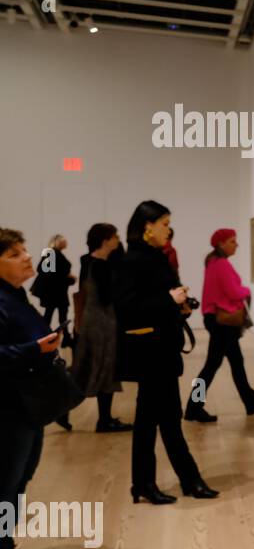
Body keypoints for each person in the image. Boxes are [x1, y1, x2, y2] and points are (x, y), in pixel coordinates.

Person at [115, 201, 218, 503]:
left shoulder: (157, 259)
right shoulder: (131, 260)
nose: (168, 229)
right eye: (164, 223)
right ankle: (186, 479)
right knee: (165, 418)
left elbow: (162, 300)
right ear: (147, 226)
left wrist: (182, 307)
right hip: (149, 351)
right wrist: (169, 301)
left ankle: (149, 483)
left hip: (162, 349)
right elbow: (127, 310)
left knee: (155, 419)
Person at [0, 227, 58, 549]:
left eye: (24, 250)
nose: (26, 256)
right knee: (3, 485)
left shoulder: (15, 295)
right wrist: (34, 350)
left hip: (25, 404)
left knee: (18, 481)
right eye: (14, 253)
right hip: (6, 407)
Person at [184, 228, 254, 423]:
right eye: (233, 241)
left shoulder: (213, 262)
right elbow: (234, 292)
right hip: (221, 322)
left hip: (216, 320)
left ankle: (250, 401)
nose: (237, 244)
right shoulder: (222, 264)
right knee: (211, 366)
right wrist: (246, 290)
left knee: (236, 362)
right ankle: (193, 406)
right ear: (221, 243)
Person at [70, 223, 130, 433]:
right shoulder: (103, 266)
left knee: (88, 369)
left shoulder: (87, 261)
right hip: (103, 323)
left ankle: (99, 418)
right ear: (106, 240)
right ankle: (104, 420)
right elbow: (108, 296)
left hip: (90, 320)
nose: (118, 240)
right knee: (105, 370)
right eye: (115, 237)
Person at [30, 234, 75, 329]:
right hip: (54, 292)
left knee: (57, 314)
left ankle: (63, 337)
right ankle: (48, 335)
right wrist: (69, 278)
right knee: (53, 314)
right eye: (64, 240)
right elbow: (47, 273)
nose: (66, 242)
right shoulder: (51, 253)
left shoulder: (54, 253)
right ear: (58, 242)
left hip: (57, 292)